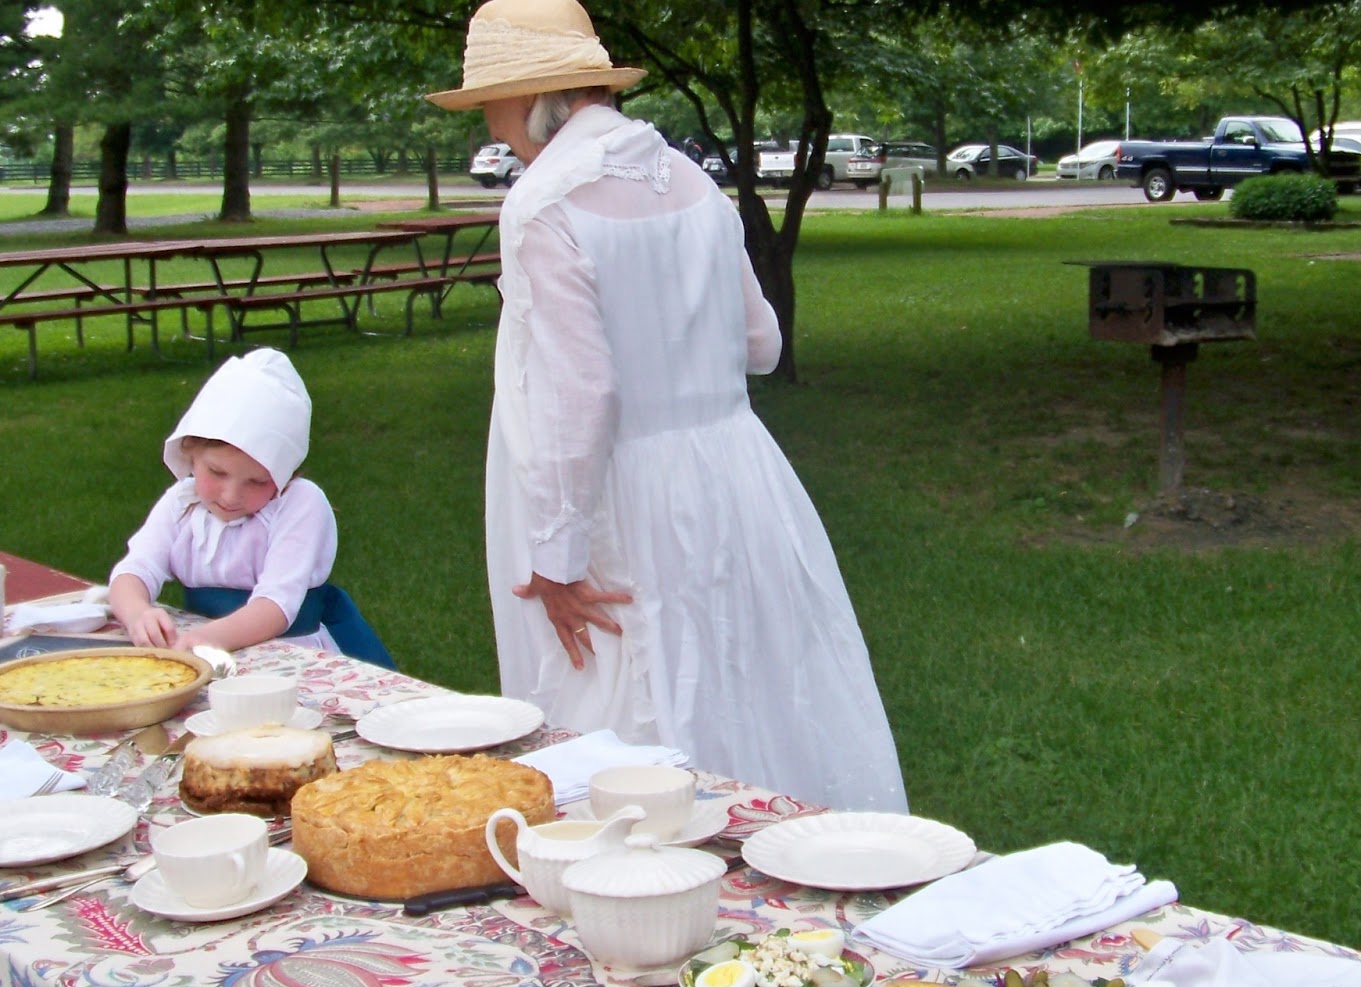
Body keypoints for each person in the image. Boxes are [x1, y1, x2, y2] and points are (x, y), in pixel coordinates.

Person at [428, 0, 907, 811]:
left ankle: (654, 888)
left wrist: (556, 559)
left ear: (537, 99)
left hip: (619, 492)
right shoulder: (691, 180)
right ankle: (783, 861)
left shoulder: (543, 203)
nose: (496, 126)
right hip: (734, 470)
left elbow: (583, 395)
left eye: (494, 105)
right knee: (752, 678)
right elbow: (762, 345)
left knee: (625, 710)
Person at [108, 348, 394, 667]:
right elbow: (133, 571)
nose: (231, 496)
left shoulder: (298, 504)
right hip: (206, 652)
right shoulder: (182, 503)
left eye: (257, 481)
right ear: (190, 453)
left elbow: (275, 606)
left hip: (292, 657)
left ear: (284, 475)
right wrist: (138, 613)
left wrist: (206, 639)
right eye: (217, 472)